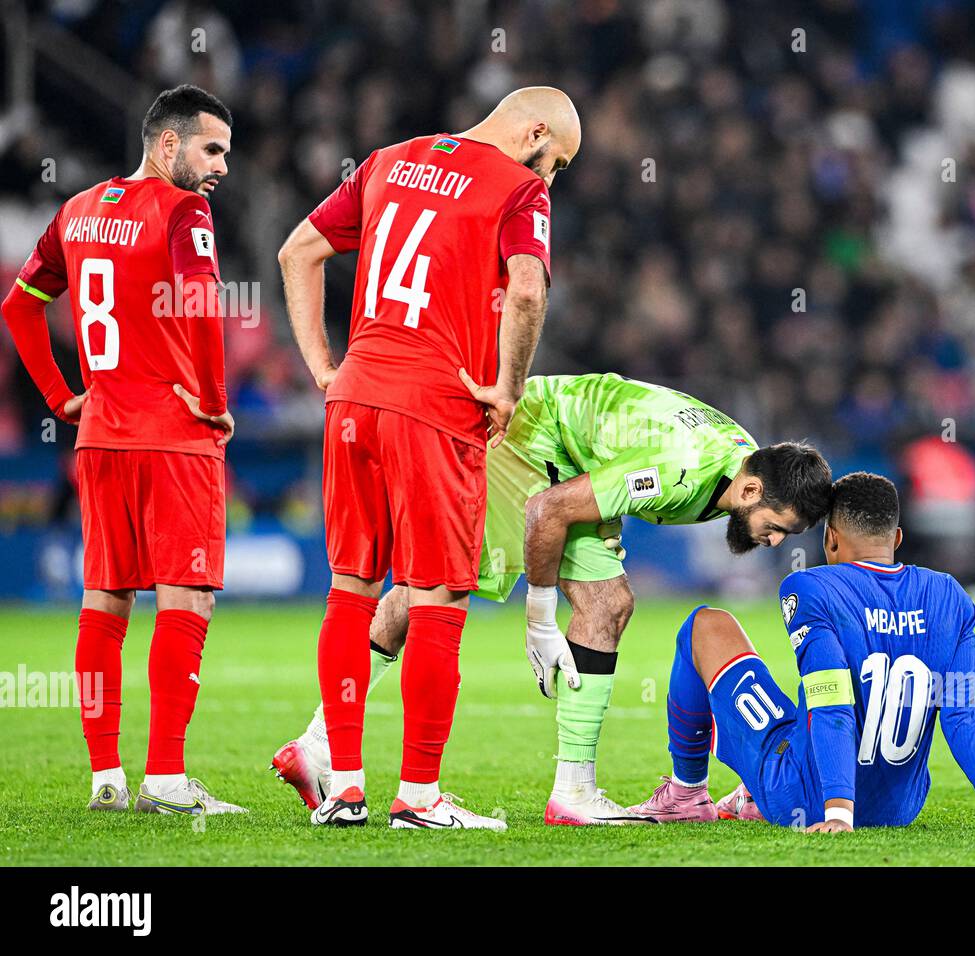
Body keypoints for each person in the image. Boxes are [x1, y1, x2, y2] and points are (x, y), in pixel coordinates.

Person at [272, 373, 832, 825]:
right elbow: (549, 509)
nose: (775, 541)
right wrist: (540, 618)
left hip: (573, 445)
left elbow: (616, 457)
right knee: (469, 593)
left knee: (577, 602)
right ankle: (563, 793)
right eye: (776, 526)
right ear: (753, 489)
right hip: (531, 436)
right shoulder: (680, 470)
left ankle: (320, 744)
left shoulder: (744, 461)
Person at [277, 87, 579, 830]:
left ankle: (343, 786)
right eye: (556, 163)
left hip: (355, 399)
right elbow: (530, 291)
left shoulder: (387, 162)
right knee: (440, 595)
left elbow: (297, 251)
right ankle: (418, 796)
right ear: (533, 131)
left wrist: (322, 363)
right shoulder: (516, 189)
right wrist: (507, 387)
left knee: (350, 589)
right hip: (436, 406)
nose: (551, 181)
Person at [1, 85, 241, 814]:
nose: (222, 167)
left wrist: (57, 396)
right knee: (186, 595)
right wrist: (214, 398)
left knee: (104, 601)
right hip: (172, 434)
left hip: (100, 434)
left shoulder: (76, 211)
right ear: (167, 145)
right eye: (212, 148)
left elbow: (19, 304)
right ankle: (165, 777)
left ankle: (106, 776)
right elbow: (201, 301)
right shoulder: (183, 210)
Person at [627, 473, 975, 833]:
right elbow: (962, 717)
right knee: (791, 711)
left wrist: (839, 814)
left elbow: (833, 704)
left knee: (705, 625)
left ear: (831, 540)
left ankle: (686, 795)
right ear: (897, 537)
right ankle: (750, 795)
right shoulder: (951, 596)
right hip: (899, 808)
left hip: (808, 797)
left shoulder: (811, 586)